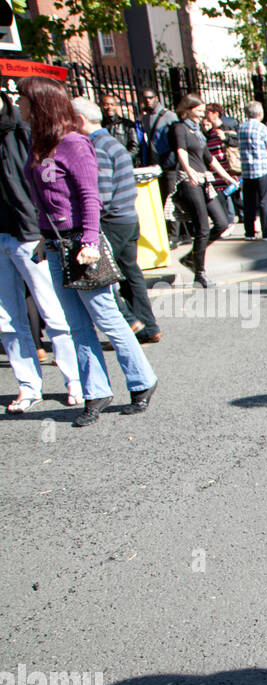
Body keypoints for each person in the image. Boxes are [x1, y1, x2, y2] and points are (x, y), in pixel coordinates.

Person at [19, 76, 158, 427]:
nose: (18, 106)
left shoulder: (75, 144)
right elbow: (45, 200)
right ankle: (95, 392)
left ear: (41, 105)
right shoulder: (39, 145)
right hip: (54, 243)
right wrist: (41, 237)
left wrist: (91, 242)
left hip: (81, 242)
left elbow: (89, 197)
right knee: (74, 324)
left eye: (23, 100)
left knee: (107, 319)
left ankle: (142, 382)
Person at [0, 90, 81, 412]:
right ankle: (28, 386)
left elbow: (42, 183)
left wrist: (40, 230)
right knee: (6, 319)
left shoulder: (22, 128)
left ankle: (75, 380)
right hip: (3, 235)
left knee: (53, 312)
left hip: (28, 234)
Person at [71, 97, 163, 345]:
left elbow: (101, 194)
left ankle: (130, 323)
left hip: (111, 221)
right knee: (131, 274)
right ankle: (148, 327)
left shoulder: (96, 147)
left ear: (80, 120)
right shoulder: (112, 142)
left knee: (101, 275)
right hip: (128, 219)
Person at [171, 94, 238, 288]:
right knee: (202, 227)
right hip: (189, 181)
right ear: (189, 109)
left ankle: (192, 257)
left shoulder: (198, 130)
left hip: (205, 180)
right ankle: (199, 274)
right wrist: (189, 170)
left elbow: (208, 157)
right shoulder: (180, 128)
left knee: (222, 222)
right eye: (199, 110)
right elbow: (181, 150)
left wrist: (226, 176)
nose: (203, 115)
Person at [140, 87, 179, 244]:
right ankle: (168, 233)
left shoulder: (169, 116)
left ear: (157, 98)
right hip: (154, 164)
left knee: (171, 199)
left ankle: (174, 235)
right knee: (161, 200)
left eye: (150, 97)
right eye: (145, 98)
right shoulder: (145, 117)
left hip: (169, 164)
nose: (147, 101)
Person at [238, 101, 267, 242]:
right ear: (260, 113)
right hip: (262, 169)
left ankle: (249, 232)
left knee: (249, 202)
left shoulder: (241, 128)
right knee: (265, 201)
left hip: (246, 171)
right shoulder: (262, 128)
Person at [204, 103, 241, 221]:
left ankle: (243, 218)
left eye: (207, 113)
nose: (205, 115)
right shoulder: (209, 132)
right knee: (222, 195)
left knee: (235, 194)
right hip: (216, 169)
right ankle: (228, 221)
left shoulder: (227, 126)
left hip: (229, 167)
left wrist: (225, 138)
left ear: (215, 114)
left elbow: (237, 143)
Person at [99, 92, 142, 166]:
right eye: (106, 104)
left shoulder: (127, 124)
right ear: (101, 106)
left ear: (116, 106)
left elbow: (135, 146)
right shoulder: (99, 125)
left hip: (125, 163)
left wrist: (123, 159)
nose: (109, 107)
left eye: (112, 104)